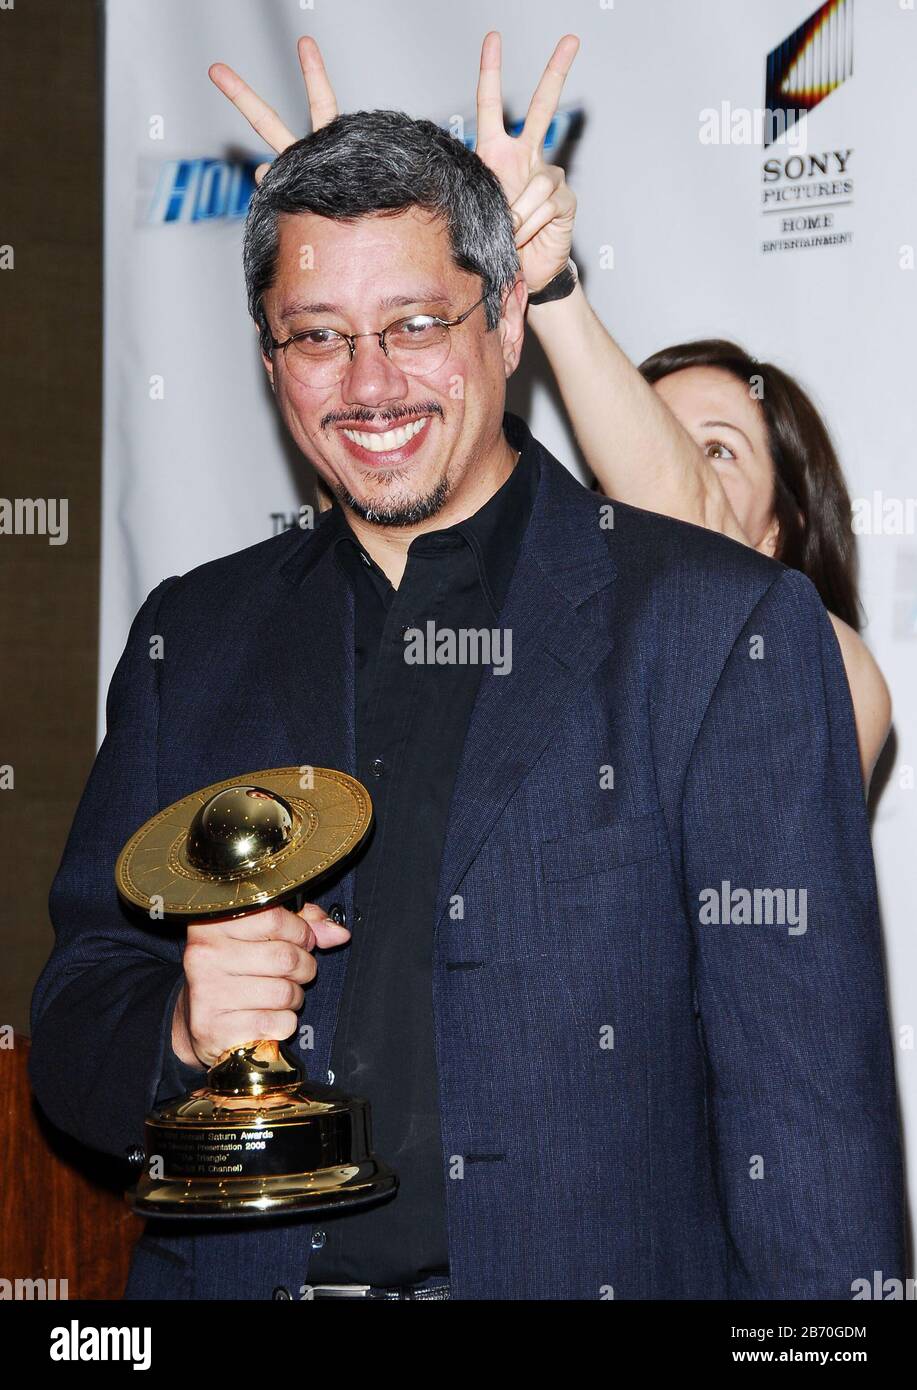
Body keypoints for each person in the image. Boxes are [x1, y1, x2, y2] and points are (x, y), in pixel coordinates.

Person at [30, 78, 904, 1300]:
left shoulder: (714, 632)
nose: (368, 381)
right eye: (317, 332)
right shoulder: (196, 631)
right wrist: (179, 1030)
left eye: (416, 323)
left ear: (504, 324)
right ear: (269, 356)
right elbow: (73, 1028)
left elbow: (811, 1134)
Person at [211, 34, 891, 787]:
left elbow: (690, 539)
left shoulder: (831, 666)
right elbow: (371, 488)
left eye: (718, 450)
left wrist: (544, 280)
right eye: (635, 442)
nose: (651, 472)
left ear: (780, 528)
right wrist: (345, 244)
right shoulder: (527, 631)